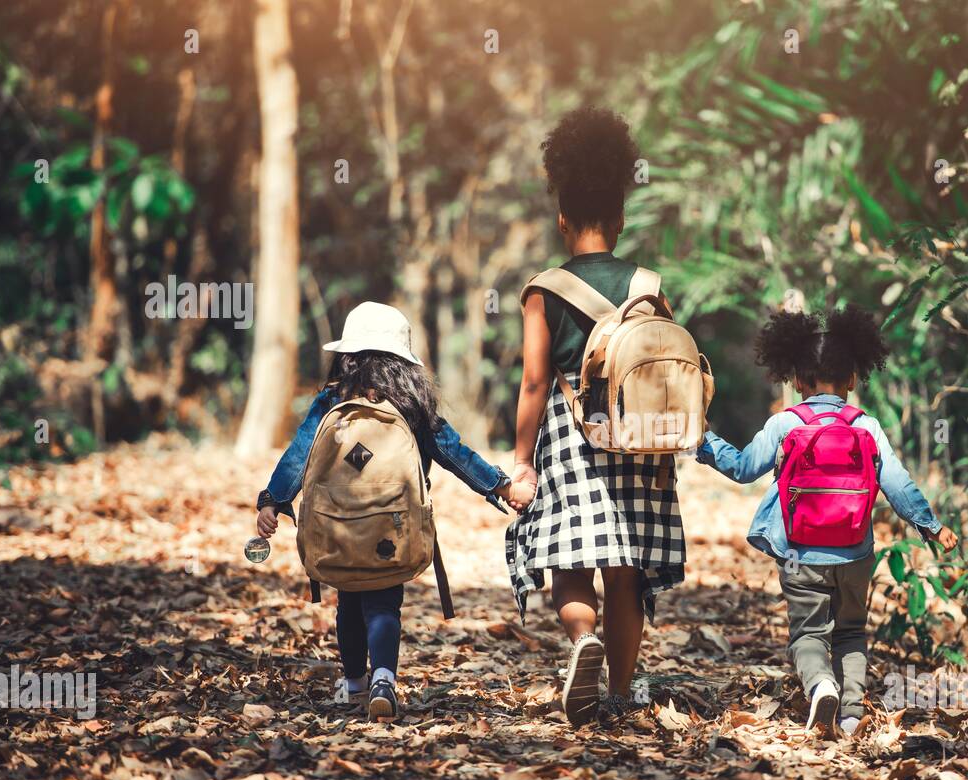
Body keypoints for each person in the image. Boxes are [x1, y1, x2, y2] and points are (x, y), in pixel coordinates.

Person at [255, 302, 533, 721]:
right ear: (403, 362)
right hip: (393, 526)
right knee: (384, 602)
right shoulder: (412, 404)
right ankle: (384, 677)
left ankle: (354, 685)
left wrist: (273, 500)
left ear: (348, 357)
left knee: (348, 601)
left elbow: (300, 455)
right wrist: (501, 487)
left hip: (339, 526)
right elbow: (453, 453)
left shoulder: (332, 400)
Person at [697, 306, 958, 736]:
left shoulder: (785, 423)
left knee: (808, 633)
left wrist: (704, 441)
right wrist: (929, 525)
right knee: (852, 632)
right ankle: (852, 716)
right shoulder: (867, 427)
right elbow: (897, 484)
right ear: (853, 379)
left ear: (796, 380)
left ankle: (820, 685)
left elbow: (743, 468)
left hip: (800, 553)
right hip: (855, 552)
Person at [506, 107, 685, 728]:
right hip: (640, 439)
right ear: (620, 218)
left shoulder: (542, 290)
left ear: (561, 220)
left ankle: (582, 637)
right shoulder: (649, 285)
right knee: (626, 570)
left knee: (571, 561)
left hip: (568, 433)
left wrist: (522, 460)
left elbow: (533, 382)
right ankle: (621, 690)